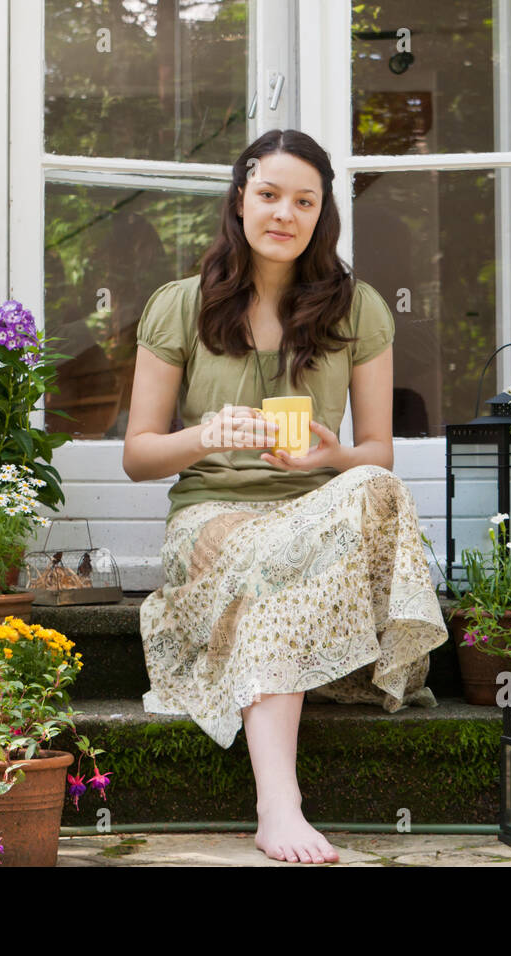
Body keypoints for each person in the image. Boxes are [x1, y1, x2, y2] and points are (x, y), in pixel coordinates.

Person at [121, 129, 448, 864]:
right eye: (269, 195)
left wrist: (330, 453)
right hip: (214, 517)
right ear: (240, 200)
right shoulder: (178, 306)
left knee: (375, 483)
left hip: (314, 512)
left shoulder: (357, 309)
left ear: (322, 213)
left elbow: (375, 457)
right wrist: (206, 435)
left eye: (304, 201)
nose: (284, 214)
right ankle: (279, 804)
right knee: (271, 553)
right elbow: (139, 456)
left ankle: (293, 765)